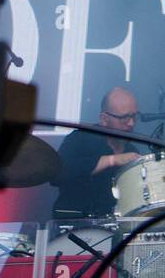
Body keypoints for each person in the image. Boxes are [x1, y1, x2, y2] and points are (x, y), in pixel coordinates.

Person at [53, 86, 140, 218]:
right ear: (104, 119)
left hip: (114, 228)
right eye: (124, 118)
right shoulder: (80, 138)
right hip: (73, 225)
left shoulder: (131, 150)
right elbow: (57, 174)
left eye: (134, 116)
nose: (131, 123)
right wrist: (112, 160)